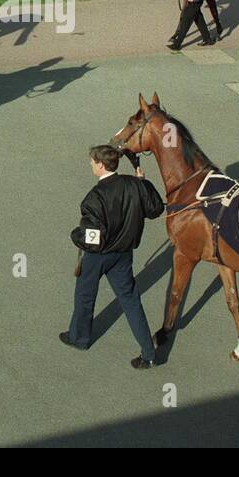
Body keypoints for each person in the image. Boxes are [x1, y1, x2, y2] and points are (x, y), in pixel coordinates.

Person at [61, 145, 164, 369]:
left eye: (92, 161)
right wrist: (144, 182)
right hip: (124, 256)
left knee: (85, 296)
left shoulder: (94, 198)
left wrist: (74, 235)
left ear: (101, 165)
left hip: (97, 257)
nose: (90, 164)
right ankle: (148, 353)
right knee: (131, 301)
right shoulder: (135, 186)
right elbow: (156, 209)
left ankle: (79, 338)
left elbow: (91, 239)